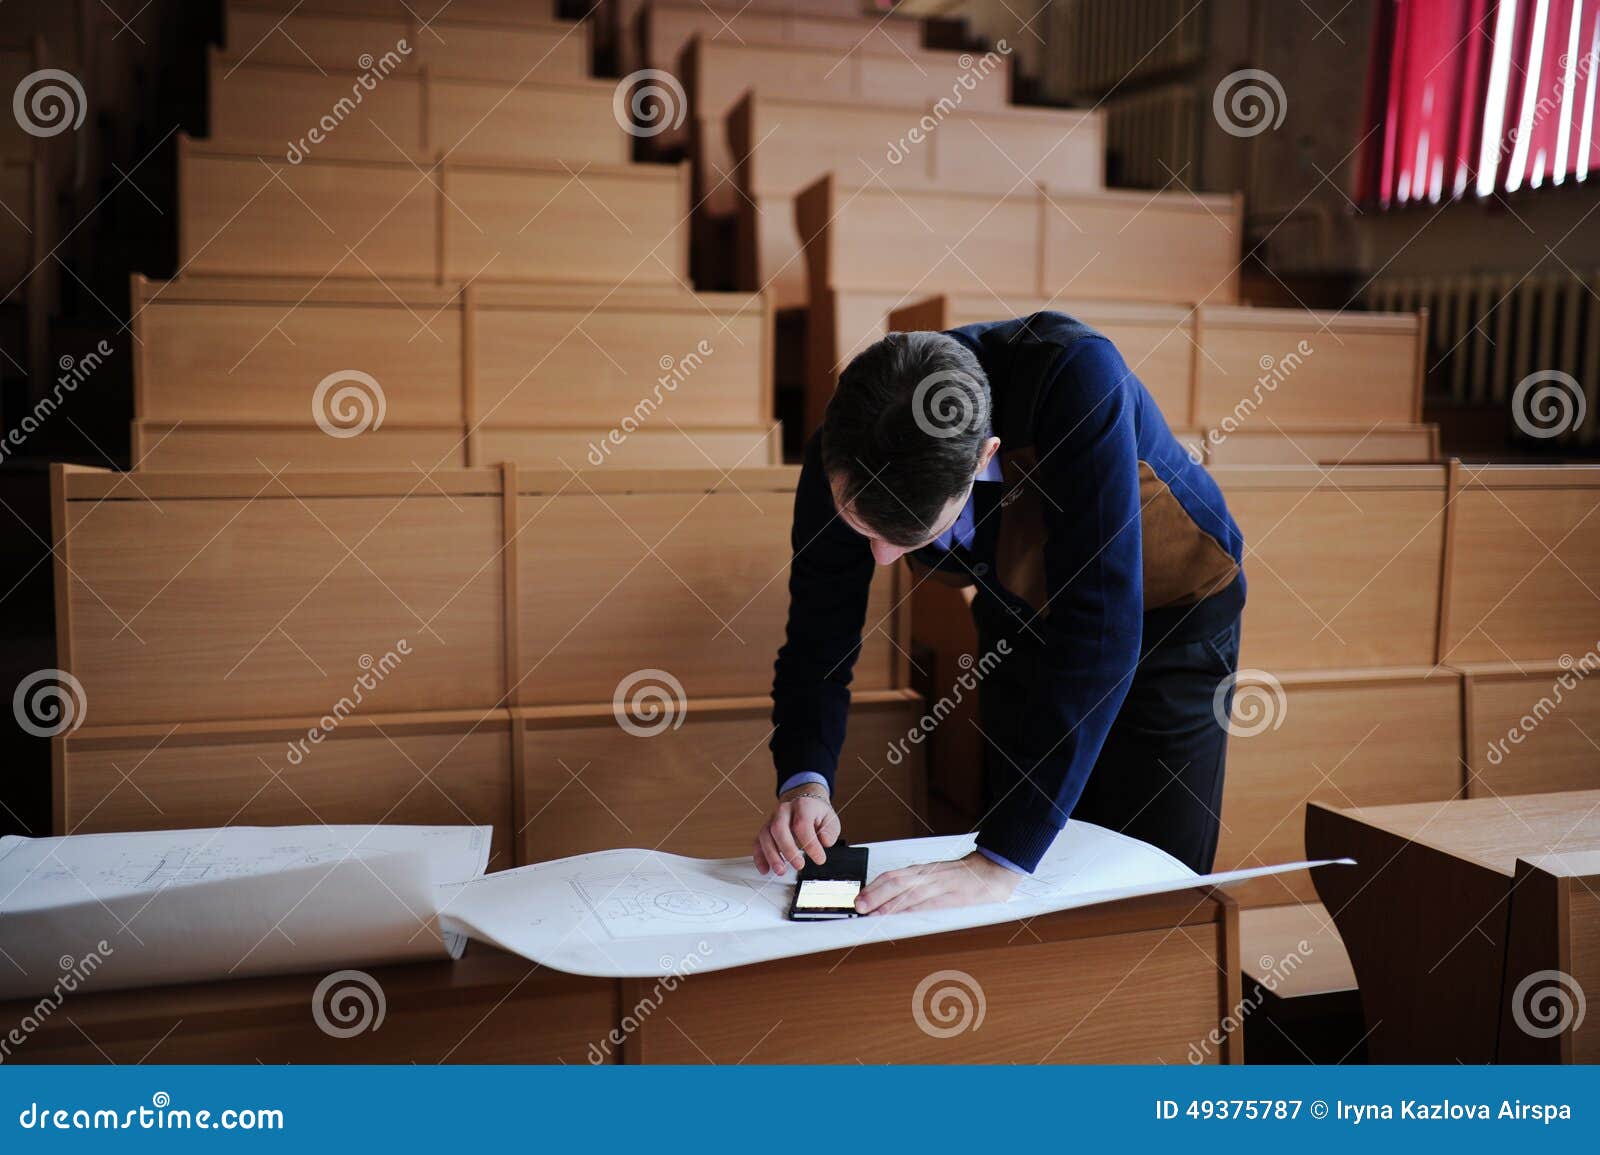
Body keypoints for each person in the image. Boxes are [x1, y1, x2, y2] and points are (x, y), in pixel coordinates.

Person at [753, 313, 1246, 915]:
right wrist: (806, 781)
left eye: (907, 536)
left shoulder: (1076, 376)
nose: (880, 559)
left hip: (1169, 618)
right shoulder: (845, 448)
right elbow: (818, 636)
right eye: (864, 531)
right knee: (1019, 898)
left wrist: (999, 860)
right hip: (1018, 618)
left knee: (1150, 891)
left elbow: (1100, 628)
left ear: (985, 457)